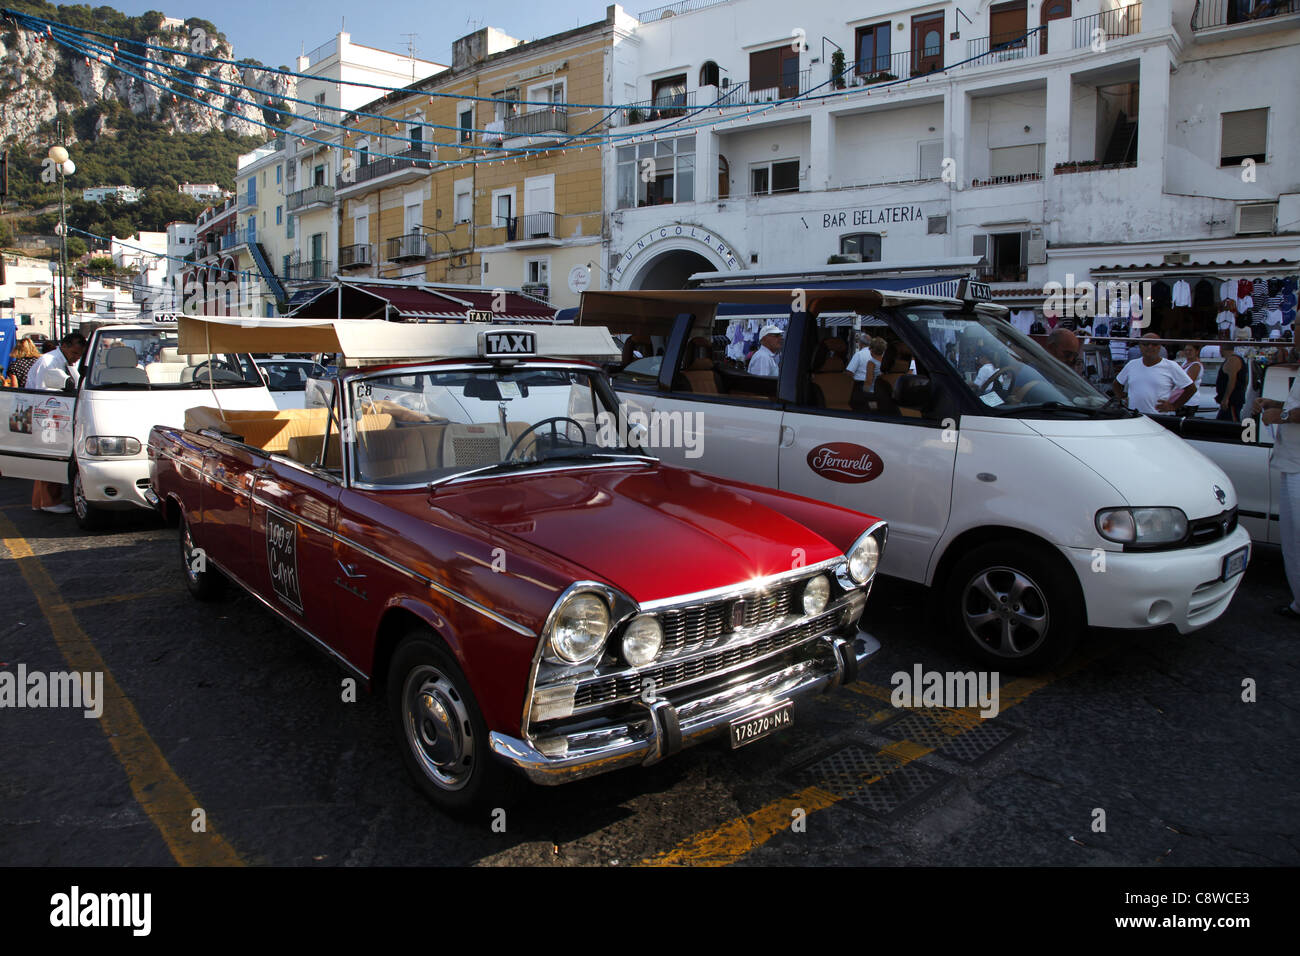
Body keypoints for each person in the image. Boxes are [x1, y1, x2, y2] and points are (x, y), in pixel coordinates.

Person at [1253, 327, 1300, 620]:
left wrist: (1280, 416)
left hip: (1298, 466)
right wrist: (1276, 405)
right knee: (1292, 541)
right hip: (1290, 461)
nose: (1294, 336)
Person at [1114, 333, 1195, 415]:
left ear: (1160, 347)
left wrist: (1174, 406)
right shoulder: (1131, 364)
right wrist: (1123, 398)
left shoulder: (1171, 366)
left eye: (1154, 344)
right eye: (1146, 344)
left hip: (1158, 418)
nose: (1150, 347)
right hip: (1134, 417)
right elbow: (1116, 384)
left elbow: (1191, 389)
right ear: (1140, 346)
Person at [1215, 341, 1247, 422]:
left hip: (1231, 402)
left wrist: (1226, 399)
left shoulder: (1232, 360)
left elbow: (1232, 380)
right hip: (1230, 401)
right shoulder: (1231, 359)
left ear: (1221, 348)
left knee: (1232, 423)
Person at [1176, 343, 1204, 417]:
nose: (1188, 352)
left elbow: (1187, 383)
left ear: (1196, 351)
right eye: (1186, 350)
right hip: (1182, 400)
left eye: (1190, 350)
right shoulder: (1185, 362)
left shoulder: (1195, 365)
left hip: (1189, 401)